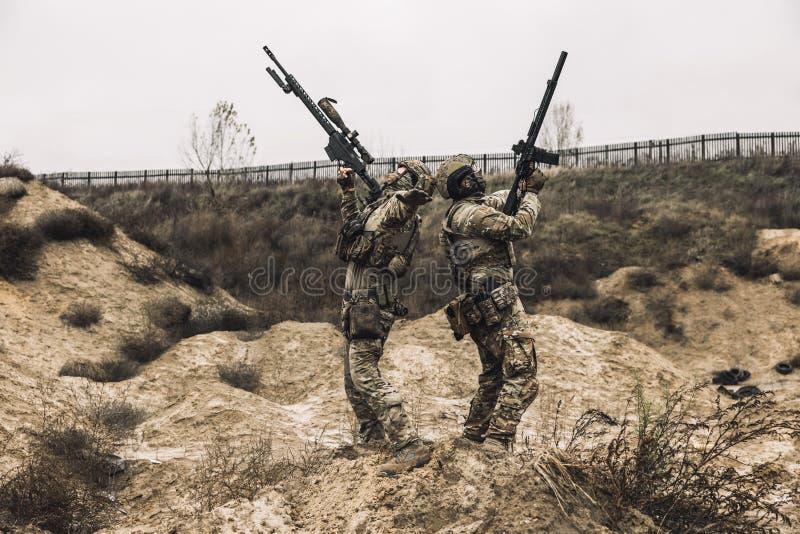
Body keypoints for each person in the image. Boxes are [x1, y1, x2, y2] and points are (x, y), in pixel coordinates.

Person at [435, 154, 547, 453]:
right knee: (523, 374)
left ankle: (473, 436)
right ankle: (498, 439)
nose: (481, 175)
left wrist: (520, 185)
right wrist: (532, 195)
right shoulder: (469, 215)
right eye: (476, 172)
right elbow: (520, 227)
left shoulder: (459, 214)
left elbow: (497, 200)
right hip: (498, 301)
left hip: (480, 305)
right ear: (466, 181)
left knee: (494, 376)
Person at [336, 160, 434, 475]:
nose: (393, 173)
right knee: (352, 379)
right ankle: (372, 438)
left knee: (363, 373)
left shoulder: (399, 212)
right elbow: (353, 228)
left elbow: (402, 211)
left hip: (371, 306)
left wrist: (412, 196)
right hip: (355, 305)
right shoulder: (378, 209)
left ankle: (409, 444)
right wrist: (348, 192)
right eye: (396, 169)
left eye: (402, 171)